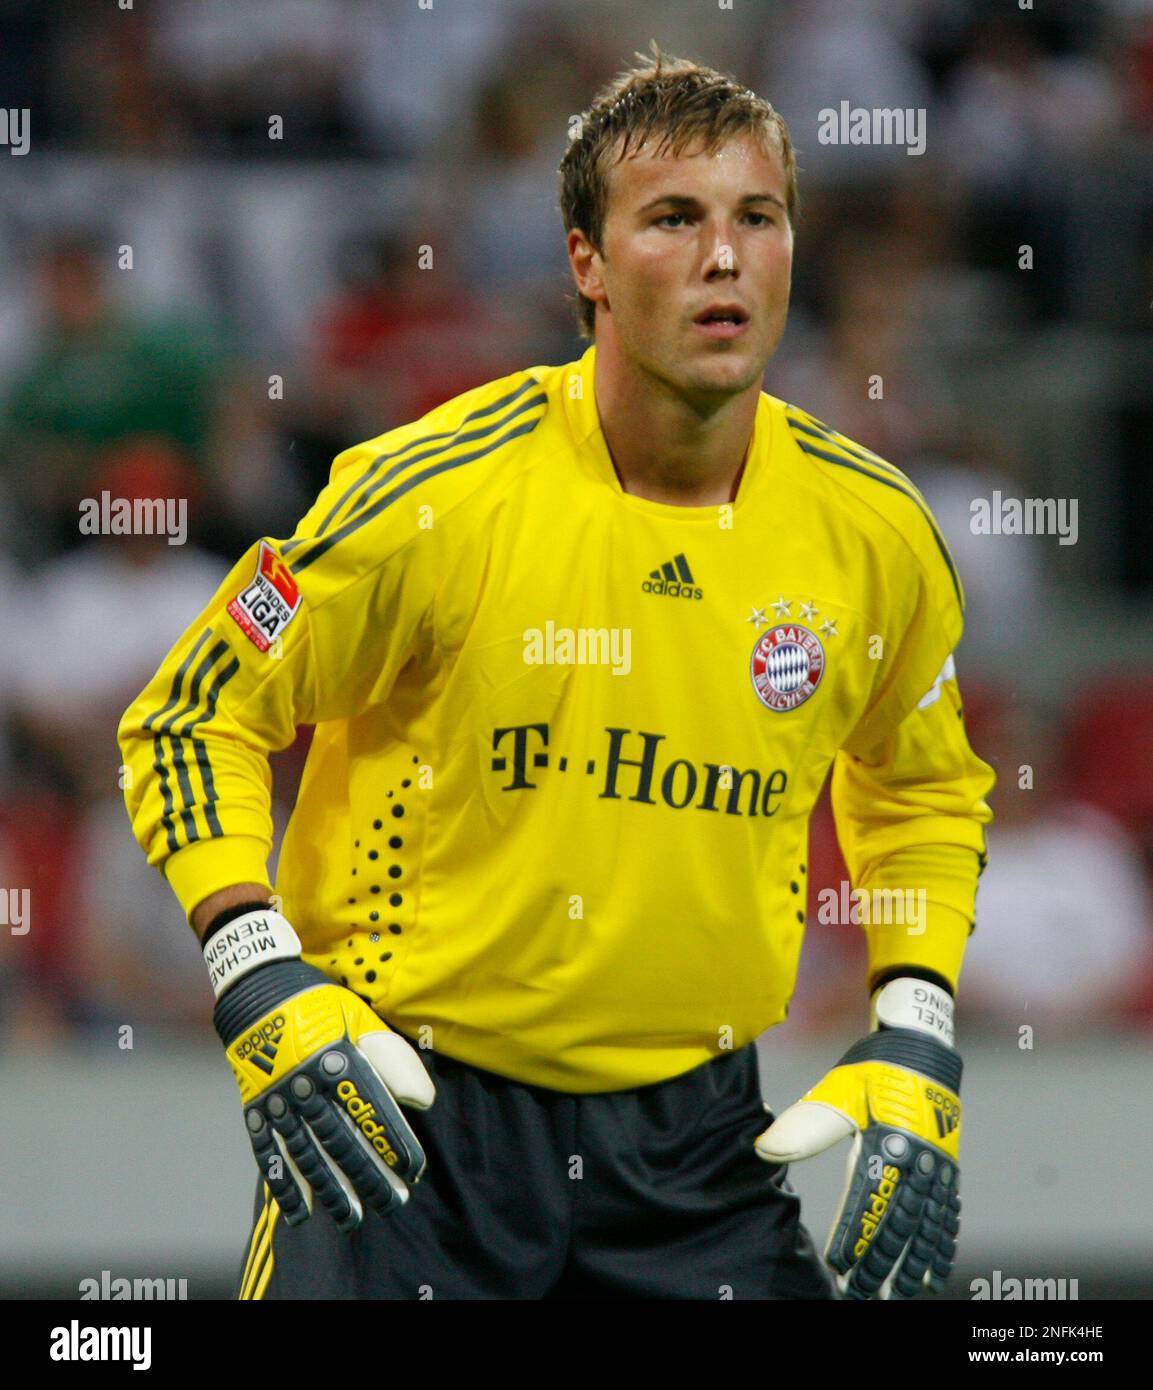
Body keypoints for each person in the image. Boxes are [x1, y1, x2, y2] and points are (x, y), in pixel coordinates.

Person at [118, 47, 995, 1301]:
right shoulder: (431, 497)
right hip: (407, 1134)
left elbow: (922, 793)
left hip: (698, 1153)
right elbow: (191, 715)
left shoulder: (876, 534)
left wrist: (916, 1025)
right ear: (584, 262)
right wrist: (255, 968)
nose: (726, 257)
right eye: (674, 220)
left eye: (759, 217)